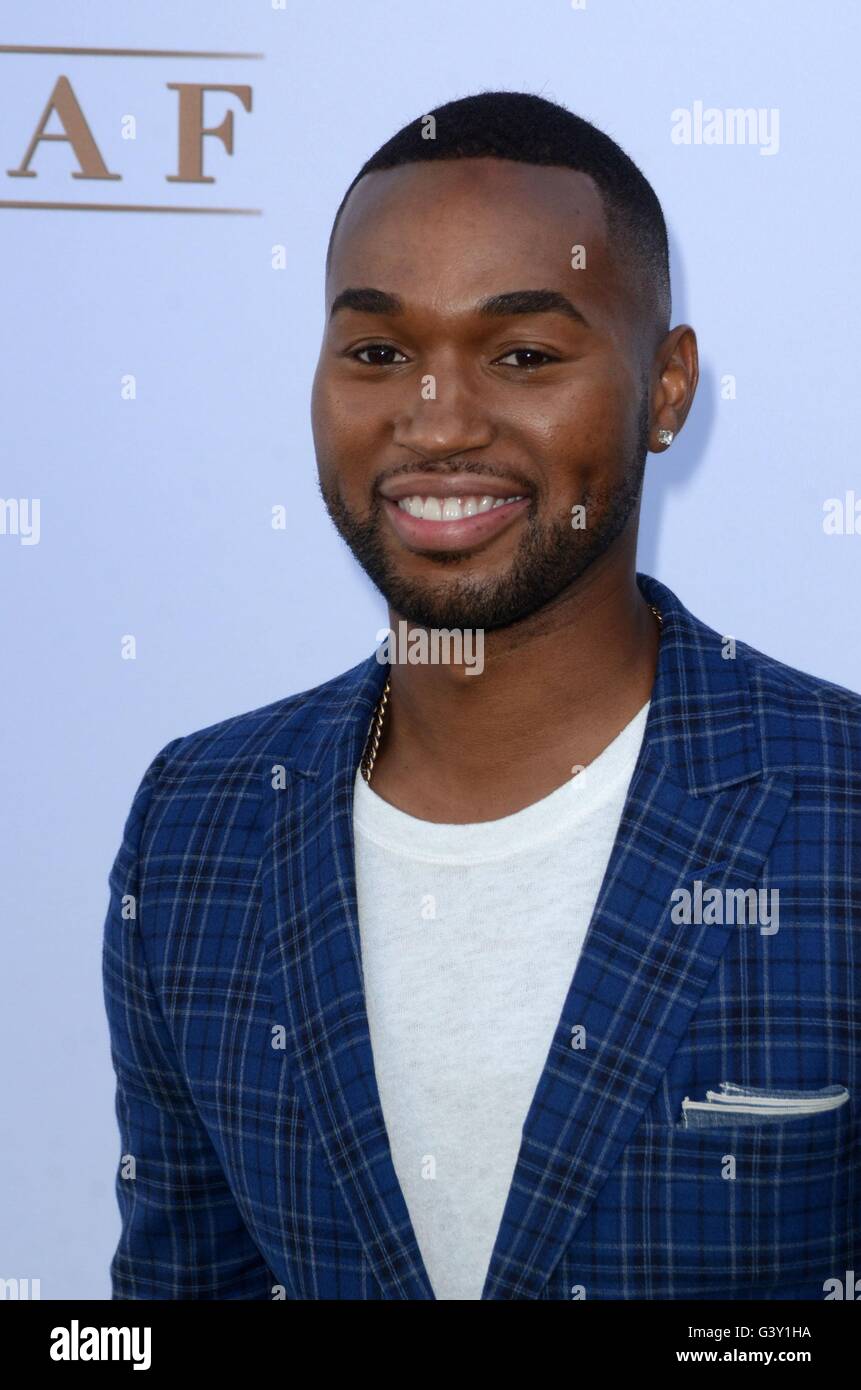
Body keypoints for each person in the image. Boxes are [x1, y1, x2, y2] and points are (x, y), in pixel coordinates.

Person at [103, 91, 859, 1300]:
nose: (437, 420)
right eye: (378, 352)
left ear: (667, 390)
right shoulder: (197, 825)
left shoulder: (840, 808)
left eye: (523, 355)